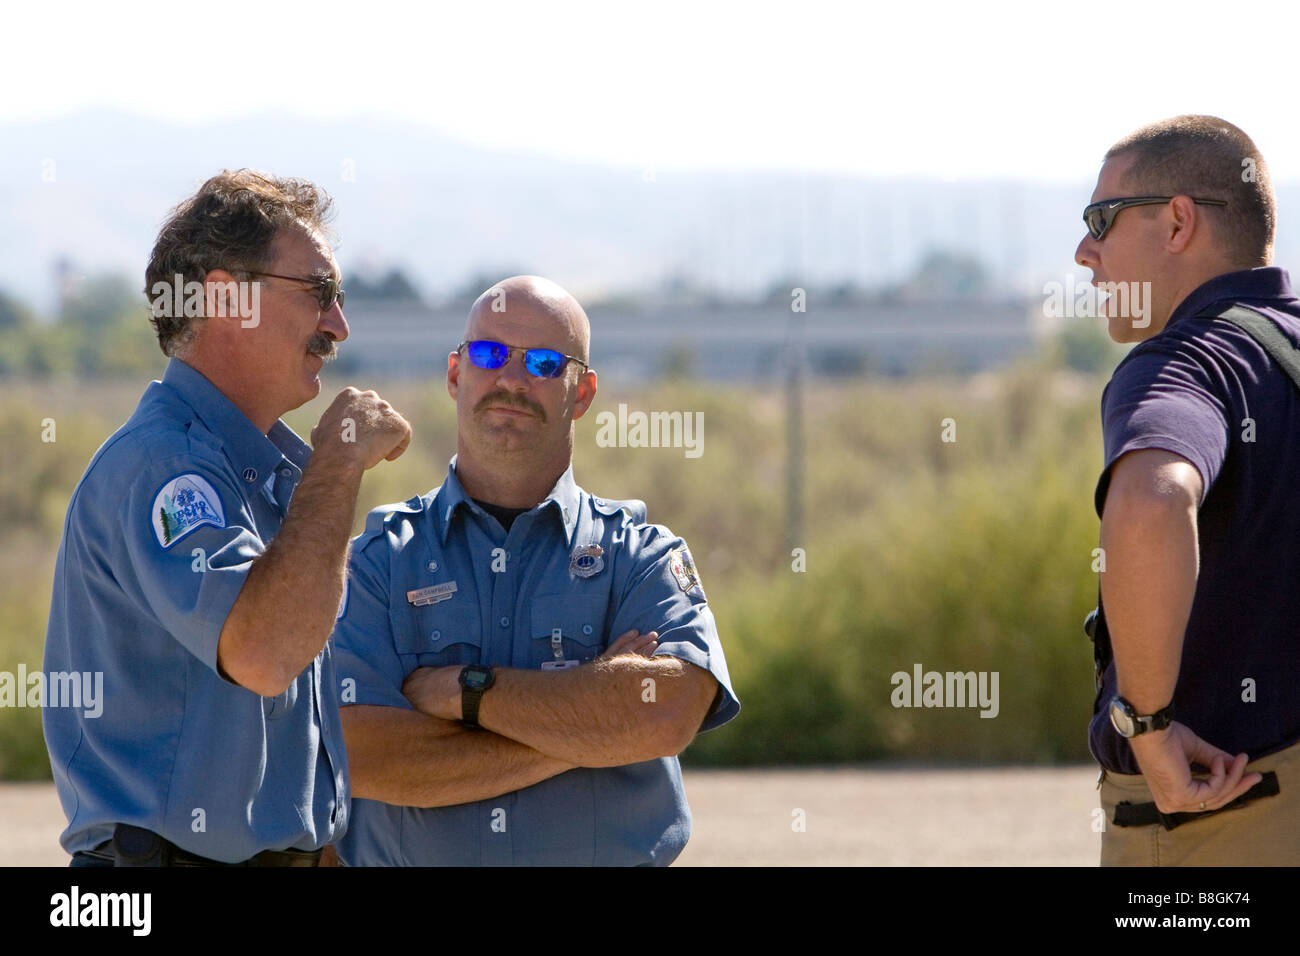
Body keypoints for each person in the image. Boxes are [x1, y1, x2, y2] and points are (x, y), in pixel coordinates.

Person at [42, 169, 412, 866]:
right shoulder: (164, 468)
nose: (338, 325)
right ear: (224, 297)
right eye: (320, 292)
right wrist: (339, 461)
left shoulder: (262, 478)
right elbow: (265, 653)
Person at [330, 275, 739, 866]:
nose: (513, 380)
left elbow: (667, 709)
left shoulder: (639, 555)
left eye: (546, 363)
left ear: (583, 393)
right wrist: (591, 730)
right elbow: (360, 754)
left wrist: (464, 693)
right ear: (455, 373)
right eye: (490, 354)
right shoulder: (378, 561)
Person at [1076, 116, 1300, 864]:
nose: (1084, 253)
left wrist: (1149, 726)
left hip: (1231, 812)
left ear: (1177, 222)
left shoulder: (1190, 361)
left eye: (1101, 220)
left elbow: (1152, 500)